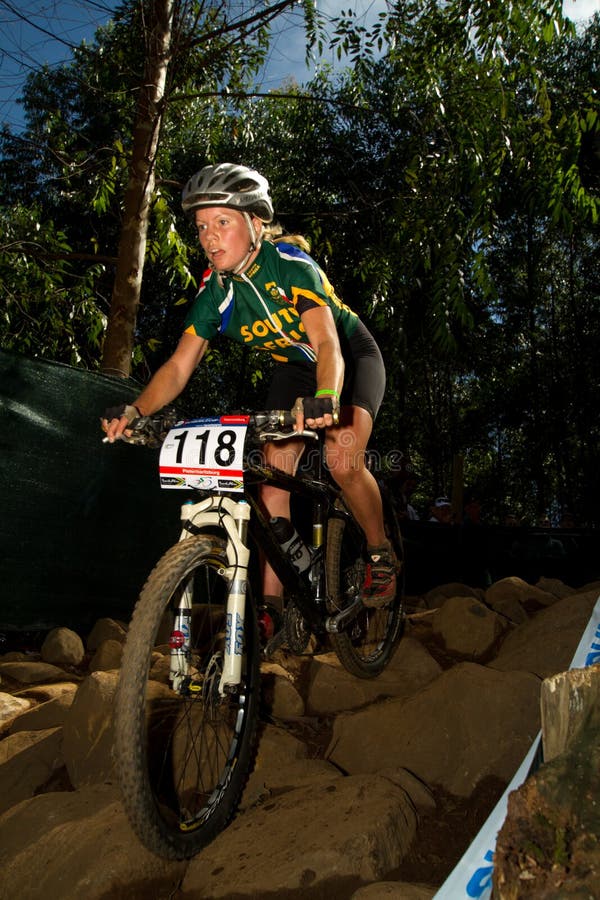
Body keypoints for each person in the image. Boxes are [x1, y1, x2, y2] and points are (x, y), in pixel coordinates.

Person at [101, 162, 396, 611]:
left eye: (222, 222)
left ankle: (379, 552)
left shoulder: (292, 267)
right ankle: (272, 608)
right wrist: (137, 410)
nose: (209, 236)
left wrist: (328, 398)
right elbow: (180, 366)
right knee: (272, 481)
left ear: (256, 224)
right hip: (294, 369)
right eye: (201, 227)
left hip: (348, 356)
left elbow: (327, 345)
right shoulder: (214, 291)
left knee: (342, 456)